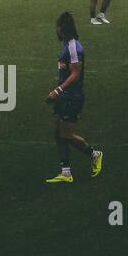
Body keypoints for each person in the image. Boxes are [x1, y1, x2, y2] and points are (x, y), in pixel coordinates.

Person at [44, 11, 103, 184]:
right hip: (64, 96)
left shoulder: (74, 48)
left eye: (57, 27)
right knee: (58, 133)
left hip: (72, 97)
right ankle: (66, 172)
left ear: (62, 29)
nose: (56, 30)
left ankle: (94, 154)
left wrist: (57, 91)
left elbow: (76, 74)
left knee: (66, 135)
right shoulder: (66, 45)